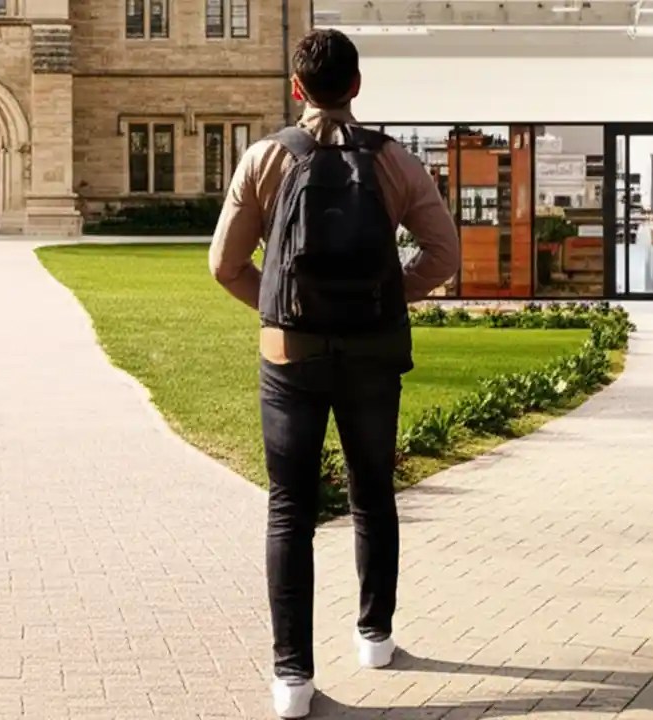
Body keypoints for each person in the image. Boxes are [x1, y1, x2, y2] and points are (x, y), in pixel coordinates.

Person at [208, 28, 460, 719]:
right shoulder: (395, 161)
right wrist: (384, 296)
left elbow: (224, 265)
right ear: (356, 86)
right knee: (372, 491)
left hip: (290, 355)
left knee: (289, 508)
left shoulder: (266, 158)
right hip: (373, 351)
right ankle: (375, 637)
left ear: (297, 88)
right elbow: (443, 255)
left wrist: (278, 308)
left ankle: (292, 677)